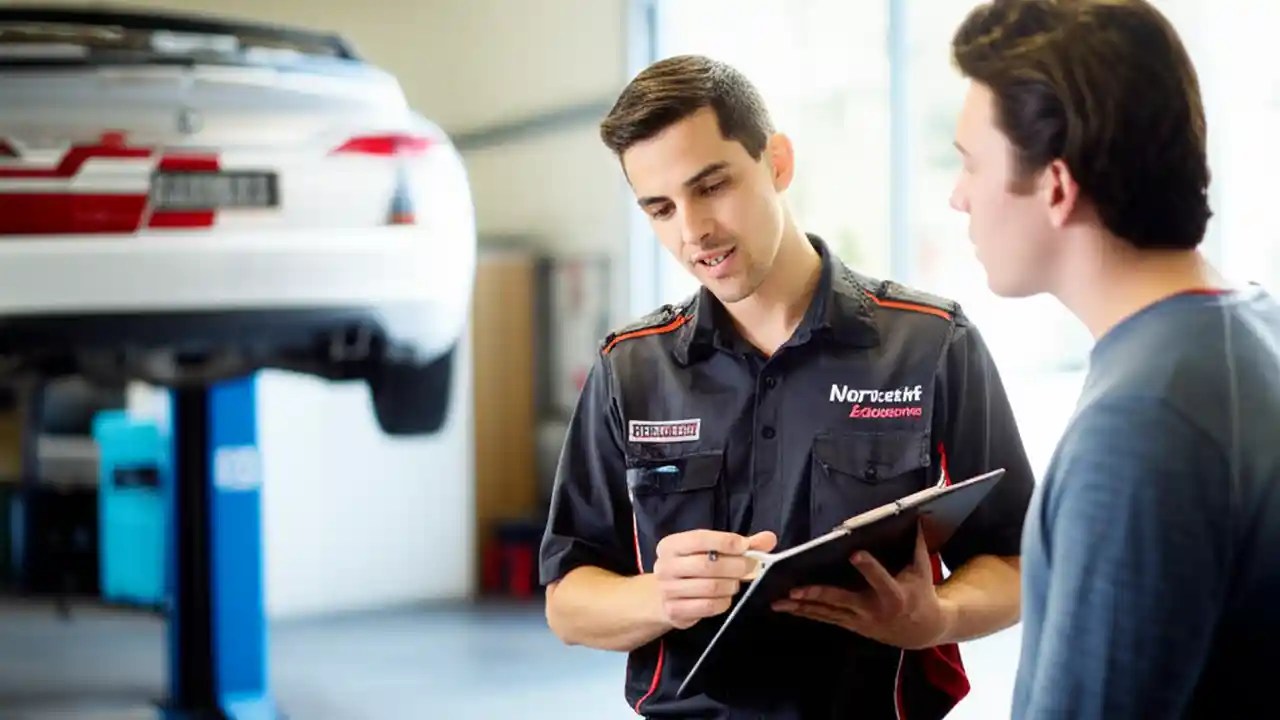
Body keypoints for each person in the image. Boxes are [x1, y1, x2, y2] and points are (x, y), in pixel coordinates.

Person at [539, 54, 1035, 719]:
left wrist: (936, 617)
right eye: (660, 208)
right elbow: (568, 600)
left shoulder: (931, 345)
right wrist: (660, 595)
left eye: (711, 185)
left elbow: (1019, 564)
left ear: (777, 162)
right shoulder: (631, 367)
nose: (693, 232)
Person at [948, 1, 1280, 717]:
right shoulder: (1248, 332)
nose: (958, 196)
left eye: (971, 165)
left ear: (1057, 187)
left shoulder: (1143, 425)